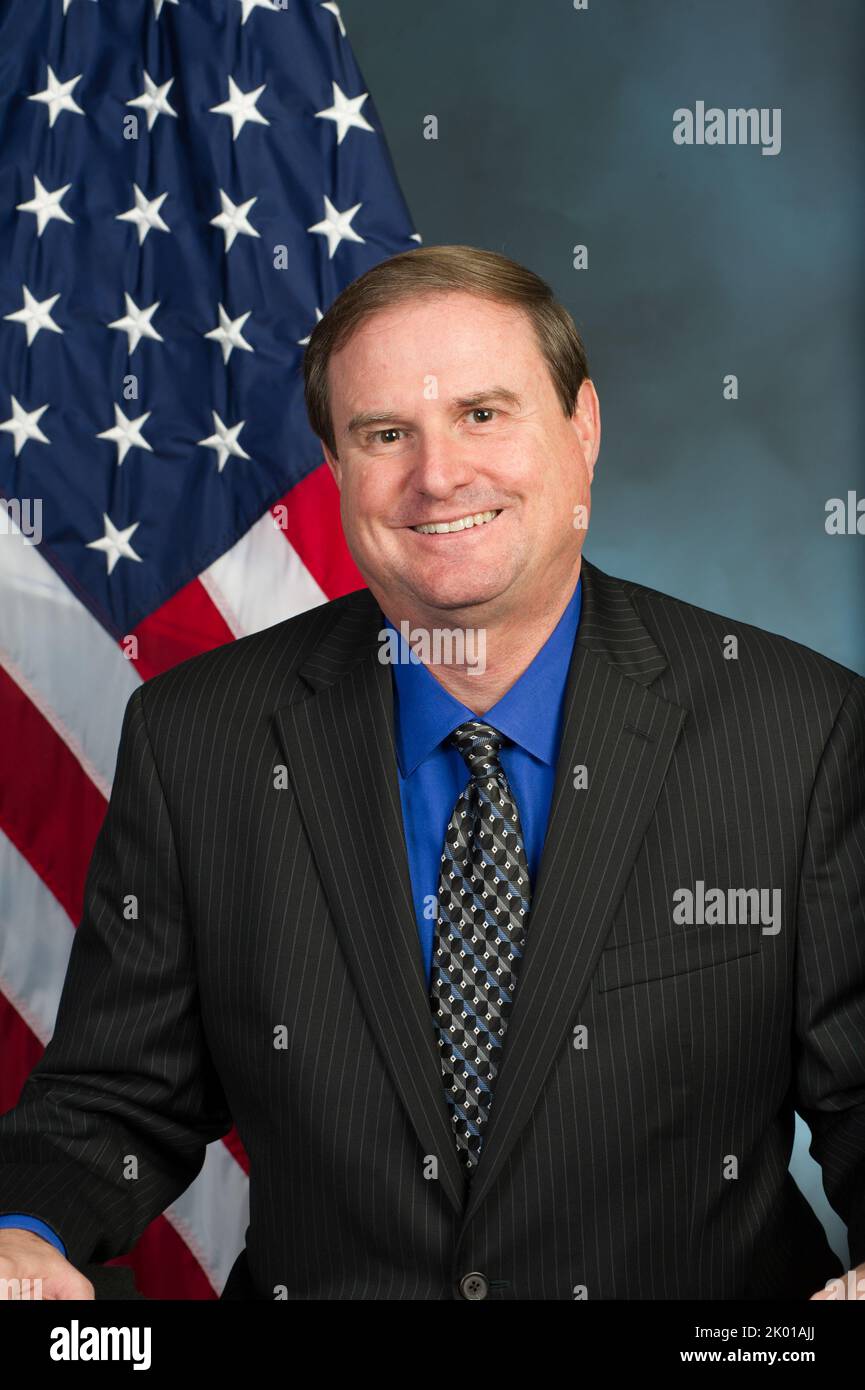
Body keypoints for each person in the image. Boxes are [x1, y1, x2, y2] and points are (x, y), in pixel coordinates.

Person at [1, 245, 863, 1301]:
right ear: (334, 462)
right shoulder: (200, 739)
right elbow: (117, 1095)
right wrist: (24, 1231)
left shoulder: (798, 729)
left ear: (581, 426)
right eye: (385, 434)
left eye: (483, 414)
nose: (439, 474)